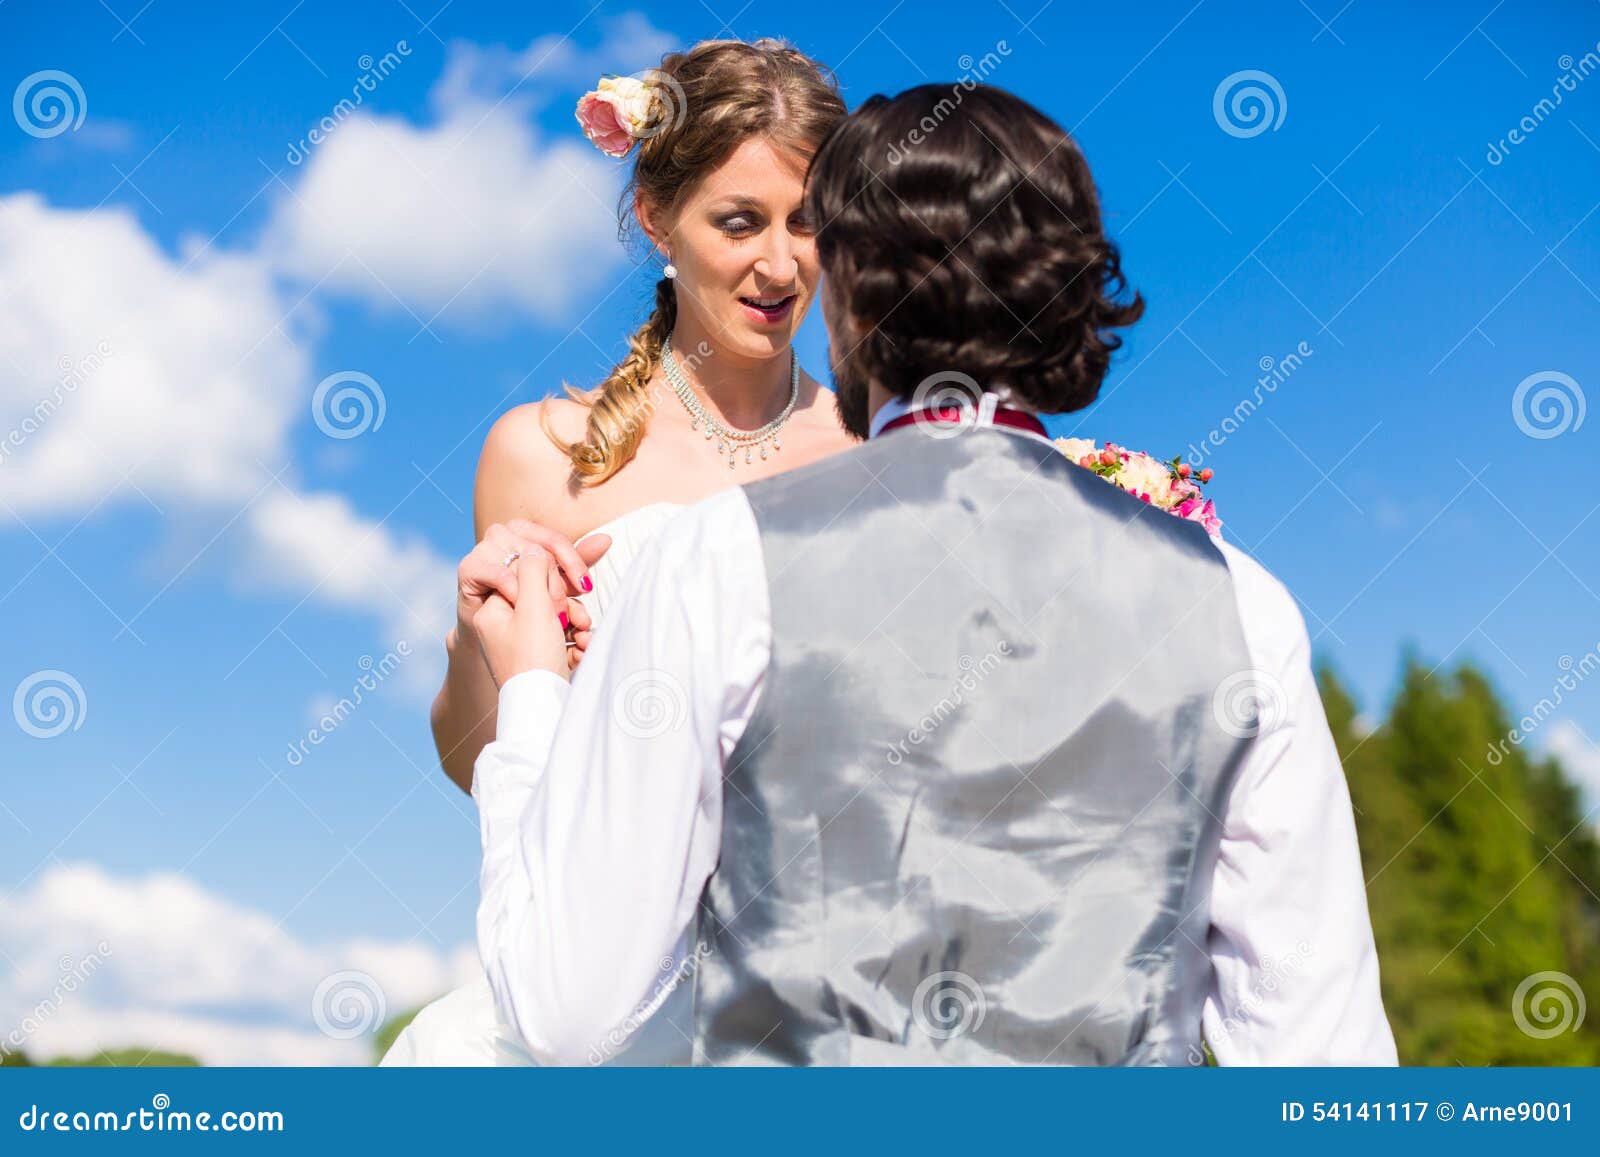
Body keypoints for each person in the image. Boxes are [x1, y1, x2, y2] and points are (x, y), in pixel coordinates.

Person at [469, 83, 1399, 1065]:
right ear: (1072, 289)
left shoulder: (718, 560)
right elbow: (1324, 1057)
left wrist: (532, 698)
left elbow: (568, 1014)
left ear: (856, 298)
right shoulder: (1241, 604)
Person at [382, 38, 853, 1066]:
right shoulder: (540, 455)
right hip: (602, 1002)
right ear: (655, 217)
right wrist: (482, 643)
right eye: (739, 221)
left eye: (808, 223)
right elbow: (478, 765)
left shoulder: (878, 454)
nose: (781, 264)